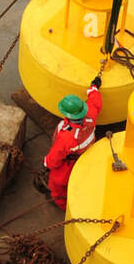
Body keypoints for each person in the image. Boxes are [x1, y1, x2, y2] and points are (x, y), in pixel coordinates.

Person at [43, 81, 102, 211]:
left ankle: (63, 205)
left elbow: (55, 158)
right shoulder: (90, 118)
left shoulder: (67, 138)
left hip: (68, 165)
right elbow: (95, 103)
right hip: (87, 157)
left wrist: (47, 164)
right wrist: (94, 88)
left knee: (58, 185)